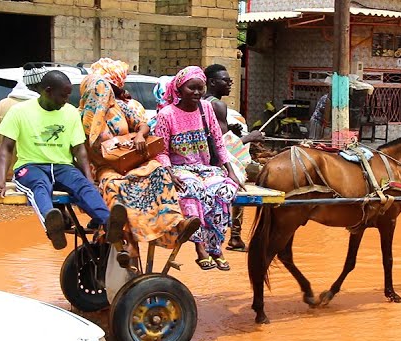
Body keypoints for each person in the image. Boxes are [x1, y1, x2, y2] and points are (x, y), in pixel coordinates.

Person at [80, 58, 198, 266]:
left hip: (130, 162)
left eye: (104, 90)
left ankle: (175, 224)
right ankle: (128, 246)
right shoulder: (81, 118)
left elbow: (142, 125)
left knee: (158, 171)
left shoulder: (121, 108)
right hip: (105, 167)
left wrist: (140, 136)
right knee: (115, 186)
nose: (102, 95)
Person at [0, 70, 119, 251]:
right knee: (39, 185)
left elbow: (79, 150)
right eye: (62, 95)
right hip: (30, 166)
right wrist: (1, 181)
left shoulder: (71, 113)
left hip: (63, 167)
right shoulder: (19, 111)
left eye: (68, 95)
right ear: (48, 91)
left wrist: (89, 180)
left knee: (83, 186)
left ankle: (108, 222)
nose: (66, 100)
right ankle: (53, 226)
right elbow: (6, 148)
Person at [151, 65, 242, 271]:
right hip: (180, 167)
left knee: (225, 190)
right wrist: (169, 172)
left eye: (200, 88)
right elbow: (161, 150)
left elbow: (219, 142)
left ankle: (216, 246)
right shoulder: (167, 114)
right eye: (192, 88)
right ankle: (200, 248)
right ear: (180, 89)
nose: (197, 93)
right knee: (191, 189)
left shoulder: (206, 108)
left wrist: (230, 171)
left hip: (205, 168)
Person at [204, 63, 264, 252]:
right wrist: (249, 138)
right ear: (212, 82)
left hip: (207, 160)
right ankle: (236, 236)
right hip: (218, 163)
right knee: (263, 174)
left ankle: (236, 237)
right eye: (226, 80)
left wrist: (231, 130)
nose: (230, 84)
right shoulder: (217, 105)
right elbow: (221, 146)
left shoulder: (203, 102)